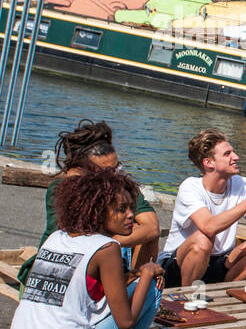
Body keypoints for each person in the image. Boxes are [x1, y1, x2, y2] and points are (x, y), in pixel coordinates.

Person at [2, 168, 164, 329]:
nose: (131, 215)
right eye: (121, 209)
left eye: (130, 208)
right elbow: (125, 321)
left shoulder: (56, 237)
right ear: (97, 211)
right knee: (152, 288)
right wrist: (148, 273)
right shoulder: (106, 248)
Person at [17, 120, 160, 288]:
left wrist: (108, 238)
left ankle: (129, 289)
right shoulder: (64, 189)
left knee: (137, 231)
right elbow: (75, 242)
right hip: (62, 268)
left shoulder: (121, 186)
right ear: (83, 171)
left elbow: (152, 227)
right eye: (106, 171)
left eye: (117, 168)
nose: (115, 175)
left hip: (97, 254)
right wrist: (107, 241)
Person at [159, 129, 246, 288]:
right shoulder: (190, 187)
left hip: (219, 260)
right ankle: (185, 298)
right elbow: (209, 227)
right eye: (227, 154)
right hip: (177, 265)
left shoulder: (242, 184)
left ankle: (224, 294)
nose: (236, 157)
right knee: (204, 240)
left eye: (233, 152)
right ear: (209, 163)